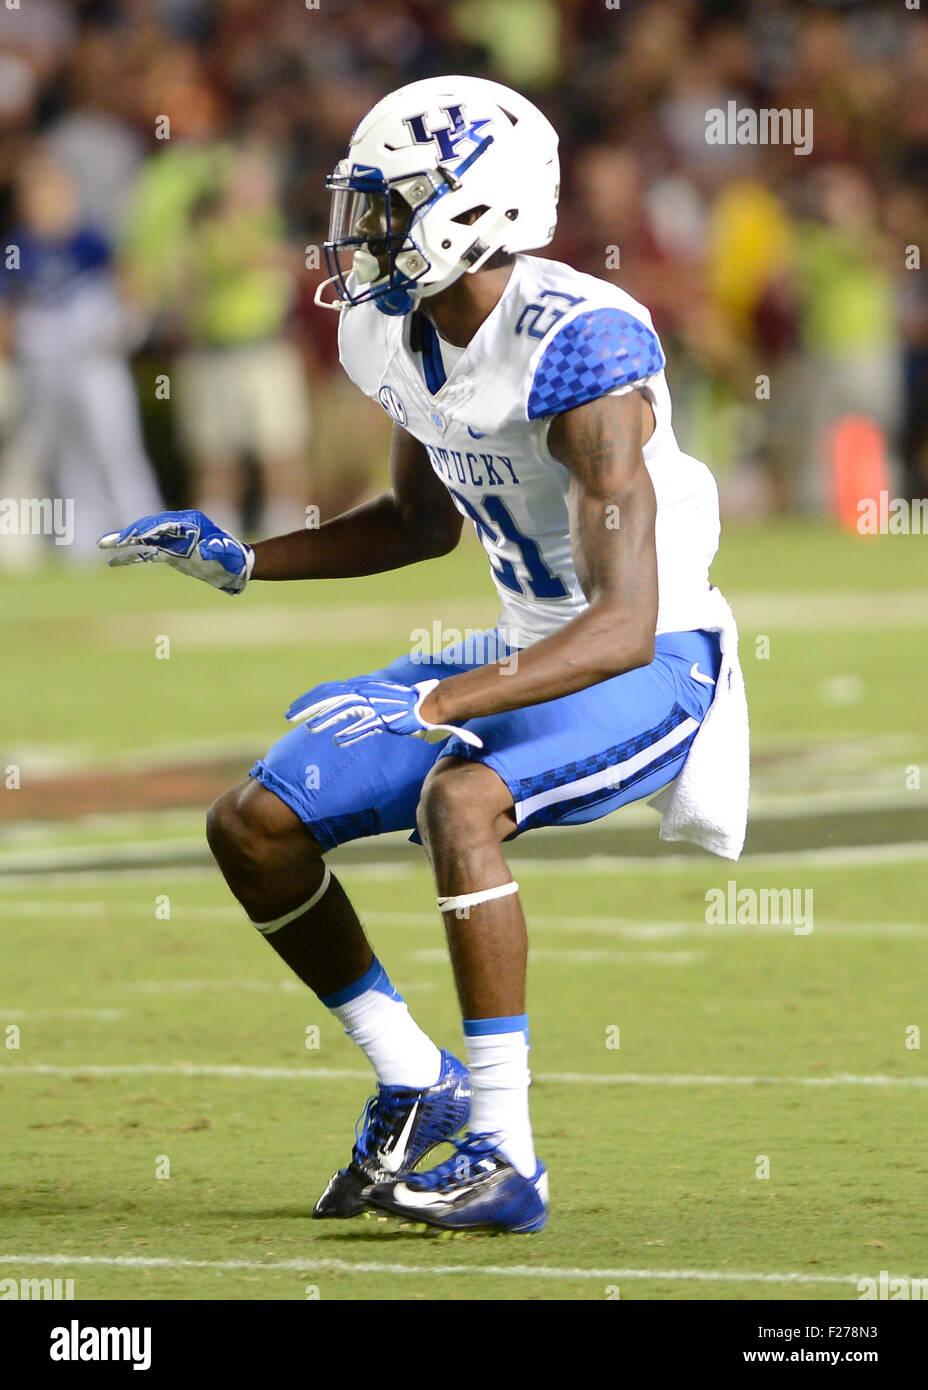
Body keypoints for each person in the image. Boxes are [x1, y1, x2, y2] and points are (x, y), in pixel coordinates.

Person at [99, 76, 747, 1234]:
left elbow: (621, 624)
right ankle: (414, 1077)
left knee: (461, 801)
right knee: (252, 821)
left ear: (474, 211)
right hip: (525, 646)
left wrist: (435, 699)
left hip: (653, 660)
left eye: (390, 206)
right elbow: (416, 524)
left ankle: (509, 1157)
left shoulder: (577, 345)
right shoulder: (392, 327)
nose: (364, 232)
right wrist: (246, 560)